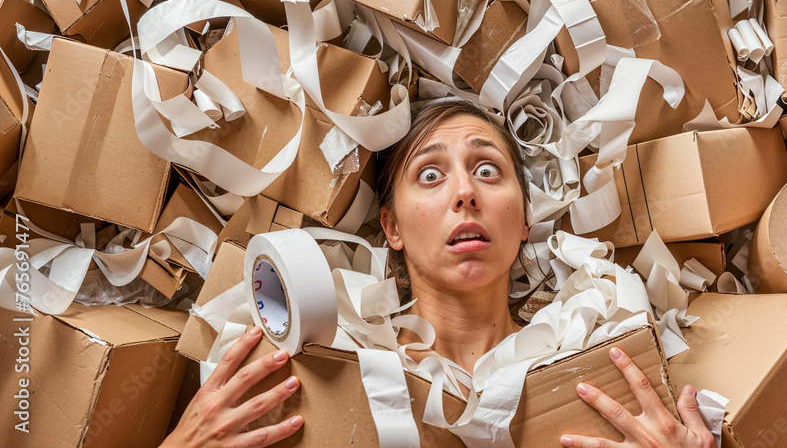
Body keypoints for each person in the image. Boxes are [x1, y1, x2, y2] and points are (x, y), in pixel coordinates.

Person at [162, 100, 713, 448]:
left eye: (487, 170)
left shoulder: (600, 358)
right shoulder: (319, 361)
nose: (465, 192)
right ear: (392, 227)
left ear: (522, 220)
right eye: (430, 174)